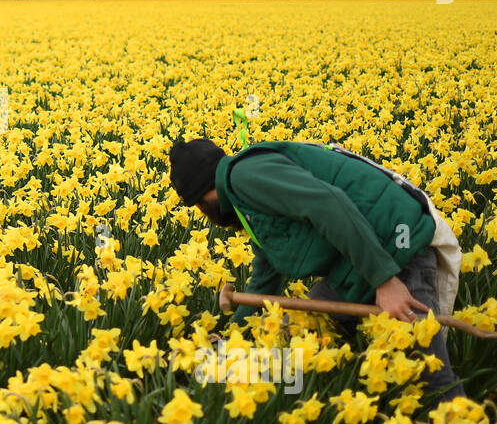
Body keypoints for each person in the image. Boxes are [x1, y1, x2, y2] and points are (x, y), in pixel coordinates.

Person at [169, 137, 466, 402]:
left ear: (205, 191)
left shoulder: (245, 176)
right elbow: (265, 278)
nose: (204, 214)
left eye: (198, 205)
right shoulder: (244, 199)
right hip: (359, 264)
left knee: (430, 379)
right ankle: (306, 401)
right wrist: (236, 338)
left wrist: (385, 281)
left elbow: (327, 204)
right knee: (306, 335)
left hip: (397, 250)